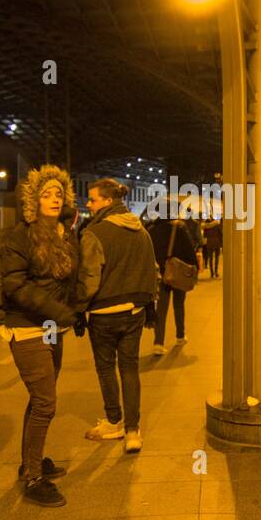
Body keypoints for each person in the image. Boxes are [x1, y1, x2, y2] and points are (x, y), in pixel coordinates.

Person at [0, 165, 80, 507]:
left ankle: (31, 460)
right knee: (46, 402)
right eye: (46, 194)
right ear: (33, 200)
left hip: (52, 327)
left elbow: (69, 282)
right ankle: (33, 478)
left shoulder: (66, 233)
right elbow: (15, 285)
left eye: (59, 194)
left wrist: (77, 309)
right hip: (27, 326)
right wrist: (59, 311)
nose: (54, 199)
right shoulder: (20, 236)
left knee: (39, 399)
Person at [76, 178, 158, 453]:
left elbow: (89, 278)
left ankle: (114, 422)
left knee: (105, 368)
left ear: (108, 202)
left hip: (103, 313)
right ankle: (133, 432)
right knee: (129, 368)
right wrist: (150, 306)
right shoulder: (141, 231)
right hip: (134, 311)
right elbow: (151, 270)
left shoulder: (94, 233)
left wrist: (77, 310)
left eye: (92, 199)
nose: (88, 204)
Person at [146, 209, 201, 355]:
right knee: (179, 305)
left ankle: (158, 343)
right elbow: (189, 250)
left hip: (160, 272)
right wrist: (195, 268)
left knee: (161, 308)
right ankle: (180, 336)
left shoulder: (151, 229)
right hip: (178, 271)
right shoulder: (179, 227)